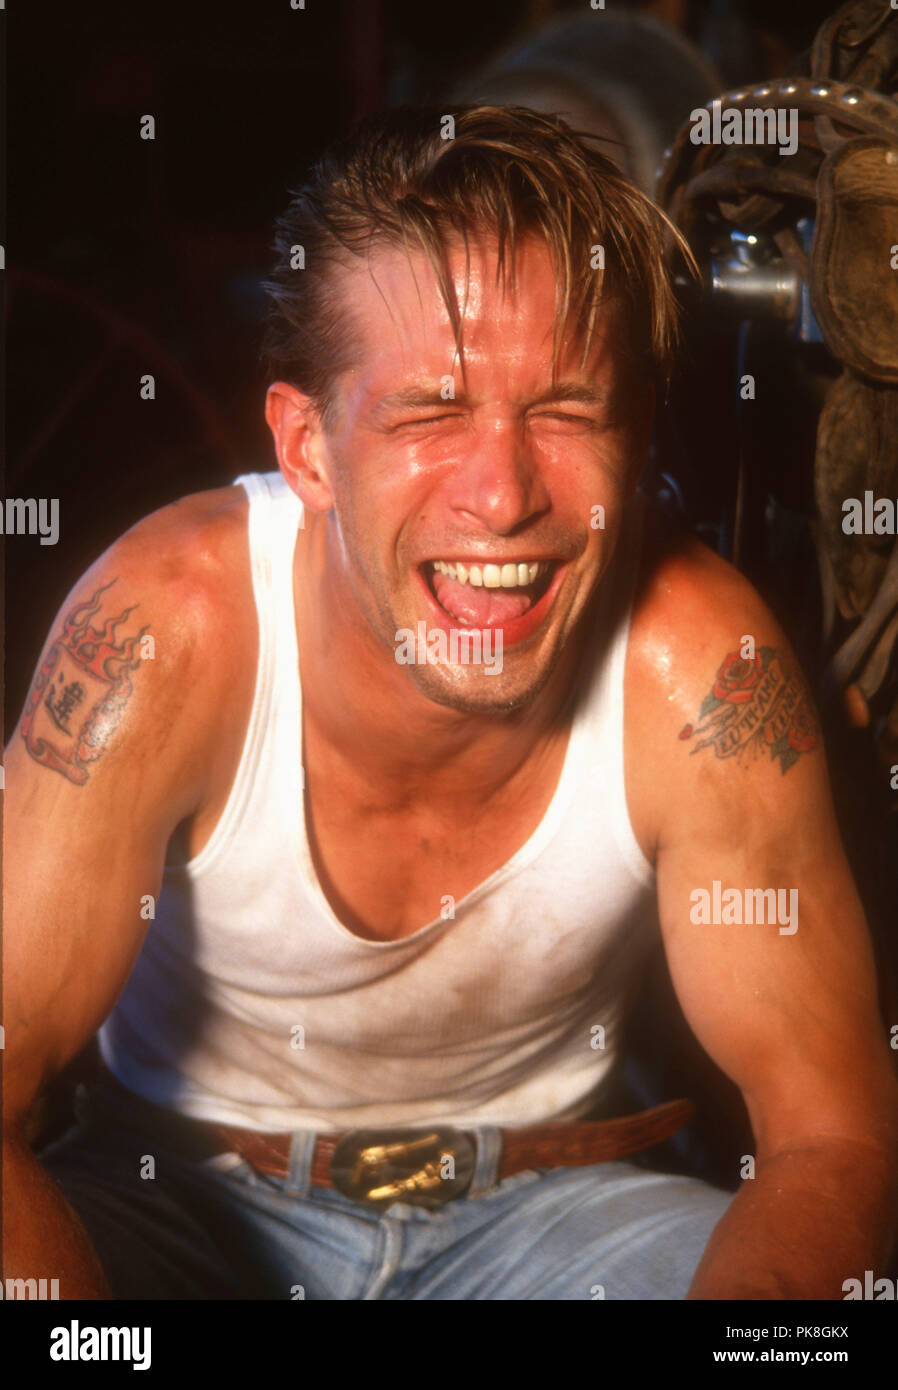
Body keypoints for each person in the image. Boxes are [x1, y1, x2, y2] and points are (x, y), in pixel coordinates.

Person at [3, 105, 896, 1302]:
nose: (504, 492)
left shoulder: (700, 670)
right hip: (174, 1194)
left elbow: (830, 1138)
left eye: (568, 411)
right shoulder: (167, 630)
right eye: (433, 409)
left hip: (556, 1211)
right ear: (308, 448)